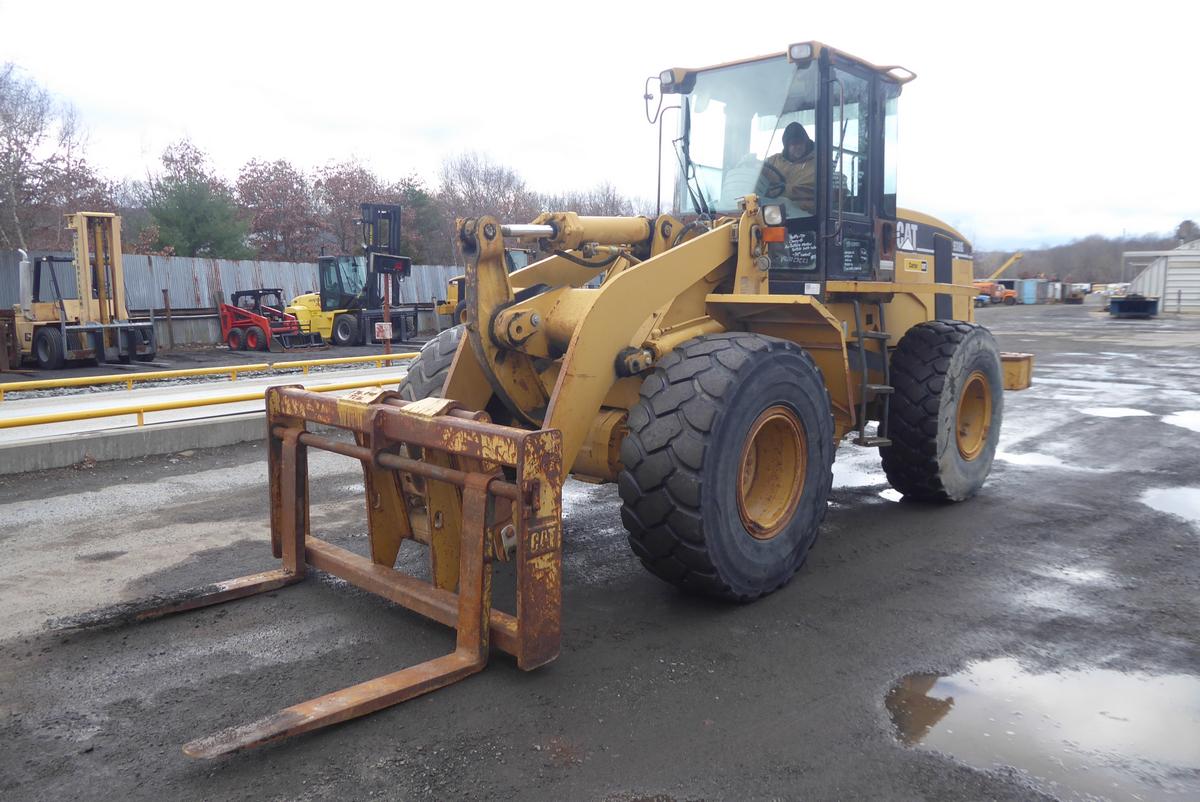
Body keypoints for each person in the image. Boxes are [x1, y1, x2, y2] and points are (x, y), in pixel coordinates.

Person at [760, 122, 817, 215]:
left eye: (800, 143)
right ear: (786, 146)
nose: (798, 147)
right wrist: (749, 165)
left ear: (806, 143)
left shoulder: (818, 164)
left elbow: (812, 191)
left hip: (805, 217)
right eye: (793, 144)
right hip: (772, 214)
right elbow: (757, 175)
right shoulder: (774, 161)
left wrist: (782, 190)